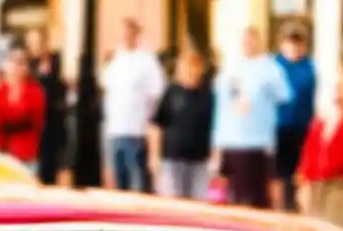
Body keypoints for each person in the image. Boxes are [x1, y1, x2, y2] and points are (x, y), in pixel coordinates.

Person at [212, 26, 292, 208]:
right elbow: (221, 107)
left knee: (255, 199)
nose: (247, 44)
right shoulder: (230, 68)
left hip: (256, 143)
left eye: (251, 40)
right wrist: (216, 142)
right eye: (244, 41)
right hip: (229, 143)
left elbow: (284, 96)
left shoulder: (270, 69)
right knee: (229, 198)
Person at [101, 18, 165, 192]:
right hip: (114, 130)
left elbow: (157, 93)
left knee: (137, 182)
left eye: (129, 32)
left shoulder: (147, 60)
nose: (125, 36)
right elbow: (106, 87)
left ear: (136, 33)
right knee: (118, 182)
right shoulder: (115, 58)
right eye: (123, 32)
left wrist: (148, 120)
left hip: (136, 131)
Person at [298, 64, 343, 227]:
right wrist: (304, 183)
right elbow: (309, 155)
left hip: (341, 188)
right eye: (336, 86)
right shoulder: (321, 122)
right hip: (316, 187)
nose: (338, 90)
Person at [153, 46, 215, 199]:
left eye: (194, 66)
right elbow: (156, 125)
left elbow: (216, 128)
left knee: (198, 204)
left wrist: (215, 157)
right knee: (172, 203)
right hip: (172, 159)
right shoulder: (171, 92)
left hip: (199, 161)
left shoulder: (208, 94)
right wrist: (154, 156)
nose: (189, 70)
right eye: (185, 66)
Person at [274, 23, 316, 211]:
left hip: (301, 127)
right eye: (290, 42)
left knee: (297, 172)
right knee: (278, 174)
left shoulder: (308, 68)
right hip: (278, 127)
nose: (294, 47)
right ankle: (281, 207)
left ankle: (293, 207)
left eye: (297, 43)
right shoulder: (274, 65)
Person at [0, 45, 46, 169]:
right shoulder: (0, 90)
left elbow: (28, 119)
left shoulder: (34, 91)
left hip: (25, 156)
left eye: (22, 62)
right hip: (1, 156)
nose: (17, 66)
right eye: (13, 61)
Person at [26, 28, 65, 184]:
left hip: (51, 124)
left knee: (49, 170)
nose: (36, 46)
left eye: (39, 42)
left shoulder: (56, 63)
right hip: (32, 125)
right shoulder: (27, 65)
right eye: (32, 43)